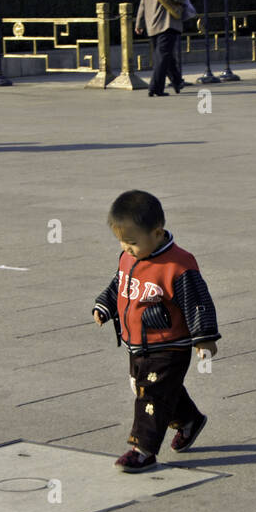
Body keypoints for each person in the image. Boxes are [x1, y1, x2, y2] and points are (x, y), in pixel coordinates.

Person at [92, 189, 220, 472]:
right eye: (122, 242)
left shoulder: (178, 265)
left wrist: (205, 338)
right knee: (150, 388)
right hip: (137, 344)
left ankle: (142, 450)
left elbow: (197, 301)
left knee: (150, 393)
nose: (126, 248)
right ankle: (189, 420)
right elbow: (118, 285)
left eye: (133, 242)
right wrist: (105, 305)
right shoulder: (128, 258)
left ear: (158, 233)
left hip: (168, 345)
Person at [135, 0, 186, 96]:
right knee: (163, 57)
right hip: (167, 25)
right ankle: (155, 88)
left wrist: (139, 23)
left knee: (163, 55)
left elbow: (142, 4)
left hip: (152, 25)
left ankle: (177, 81)